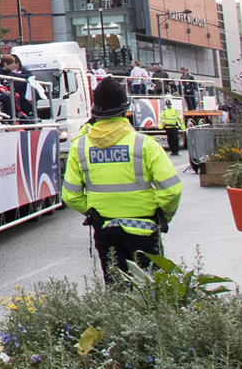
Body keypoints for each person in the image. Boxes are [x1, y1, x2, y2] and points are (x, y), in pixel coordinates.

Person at [62, 77, 183, 282]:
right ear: (125, 111)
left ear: (95, 113)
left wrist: (92, 213)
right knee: (151, 290)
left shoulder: (79, 147)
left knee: (117, 290)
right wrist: (164, 216)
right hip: (144, 228)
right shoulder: (145, 144)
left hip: (105, 229)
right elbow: (172, 189)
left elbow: (70, 196)